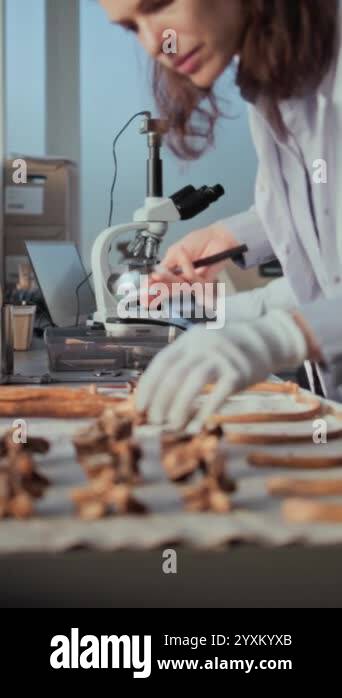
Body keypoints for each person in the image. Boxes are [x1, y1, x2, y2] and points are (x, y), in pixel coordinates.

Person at [99, 0, 342, 428]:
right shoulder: (270, 88)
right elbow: (322, 201)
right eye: (130, 28)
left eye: (158, 5)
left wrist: (285, 336)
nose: (156, 43)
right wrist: (227, 236)